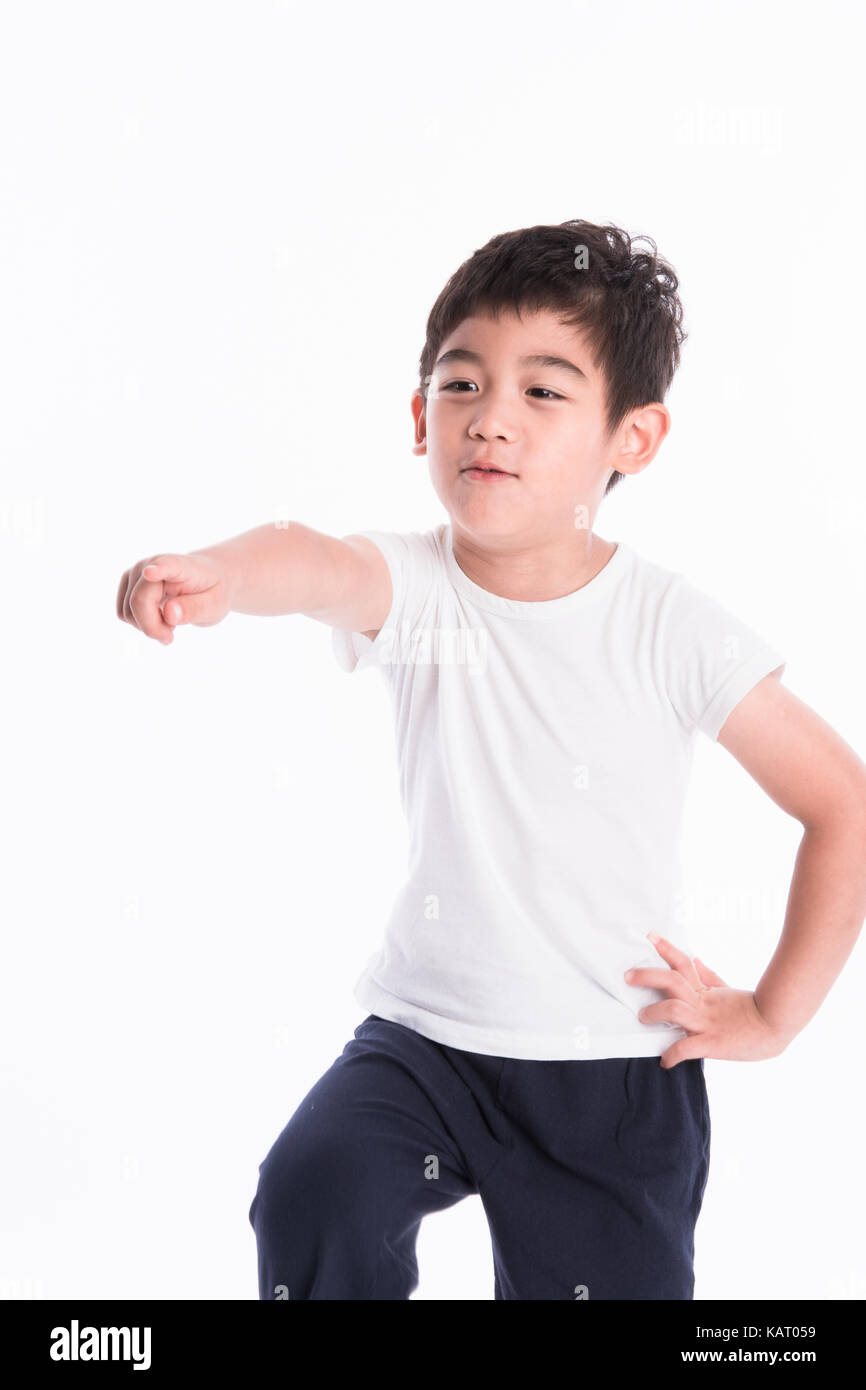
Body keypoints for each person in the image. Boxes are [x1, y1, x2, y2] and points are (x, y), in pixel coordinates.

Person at [116, 219, 866, 1300]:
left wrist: (769, 1015)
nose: (490, 421)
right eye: (461, 385)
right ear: (420, 416)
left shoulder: (667, 625)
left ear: (632, 438)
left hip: (609, 1069)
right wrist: (219, 574)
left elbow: (839, 799)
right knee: (314, 1188)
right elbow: (311, 556)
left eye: (542, 392)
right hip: (424, 1044)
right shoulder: (415, 589)